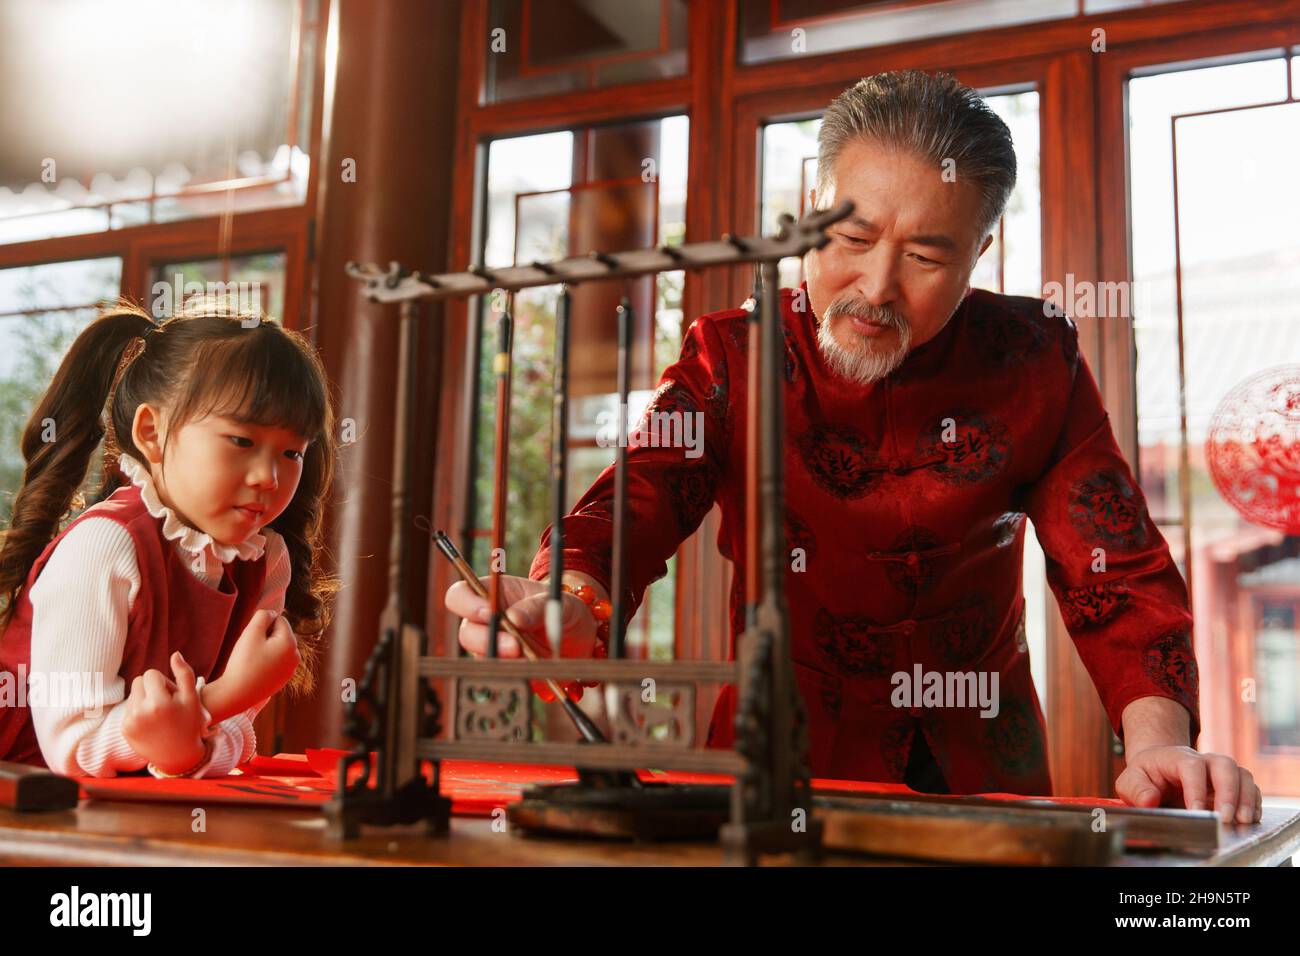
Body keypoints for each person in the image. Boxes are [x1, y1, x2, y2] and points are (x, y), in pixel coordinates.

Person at [445, 70, 1261, 824]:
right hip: (778, 760)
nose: (877, 287)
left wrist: (1160, 741)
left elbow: (1114, 566)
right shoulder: (734, 356)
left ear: (979, 253)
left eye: (925, 255)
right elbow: (641, 494)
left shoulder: (1035, 357)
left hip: (984, 765)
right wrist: (573, 599)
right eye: (855, 237)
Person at [0, 296, 339, 778]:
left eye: (292, 453)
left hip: (138, 815)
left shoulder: (268, 559)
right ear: (151, 432)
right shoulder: (103, 545)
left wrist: (188, 753)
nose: (269, 476)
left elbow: (236, 742)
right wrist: (219, 700)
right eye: (242, 441)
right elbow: (73, 750)